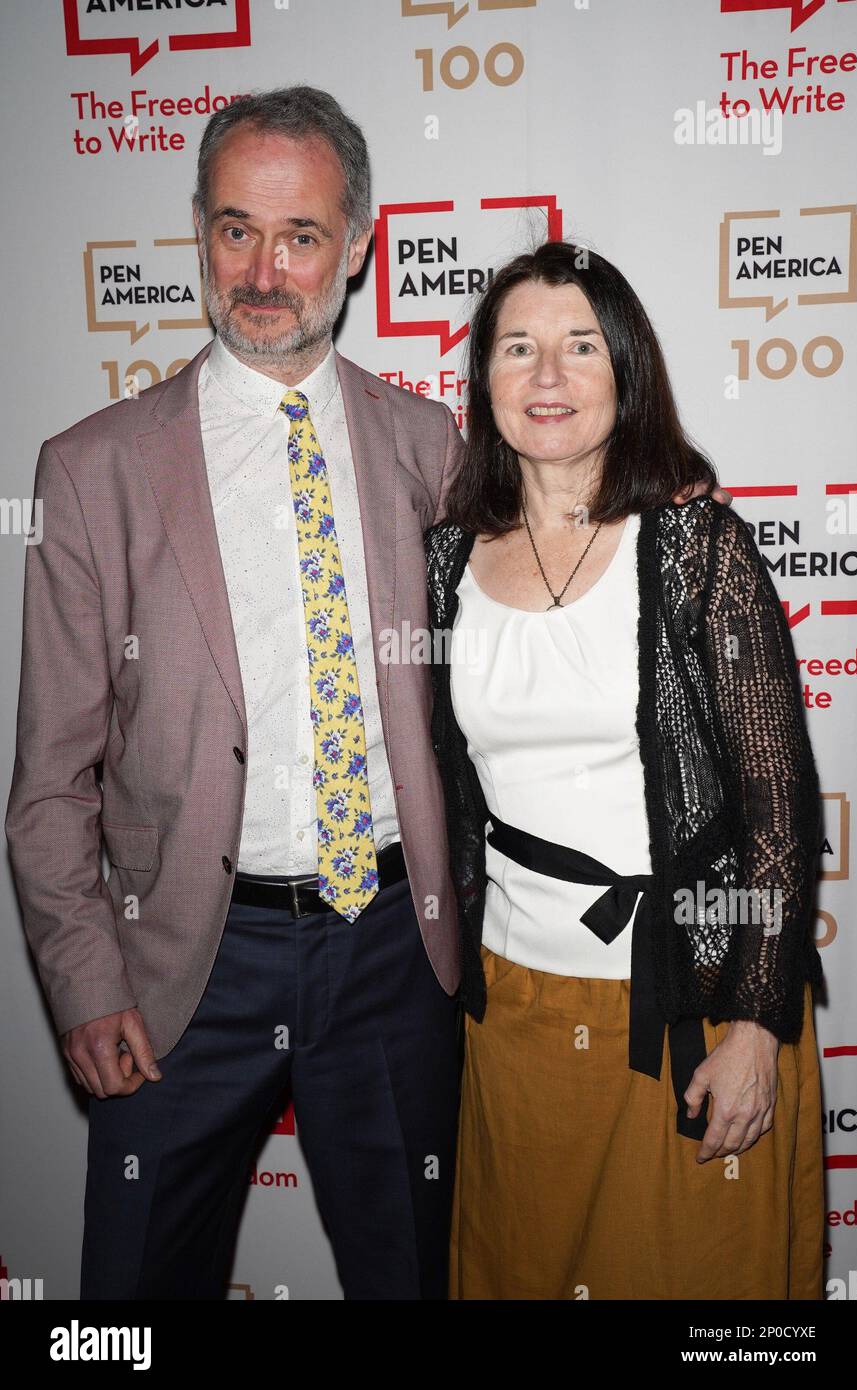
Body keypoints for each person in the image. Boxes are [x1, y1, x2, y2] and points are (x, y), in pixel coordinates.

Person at [5, 86, 469, 1301]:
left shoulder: (433, 450)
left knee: (411, 1280)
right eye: (233, 230)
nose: (264, 271)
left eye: (300, 235)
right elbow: (50, 777)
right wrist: (83, 978)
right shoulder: (90, 469)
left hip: (388, 954)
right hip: (179, 976)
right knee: (127, 1307)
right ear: (200, 232)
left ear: (359, 243)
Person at [424, 241, 825, 1300]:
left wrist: (755, 1024)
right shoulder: (443, 560)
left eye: (577, 347)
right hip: (511, 1009)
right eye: (517, 347)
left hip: (686, 1003)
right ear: (483, 381)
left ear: (626, 373)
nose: (545, 376)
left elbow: (777, 811)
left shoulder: (696, 545)